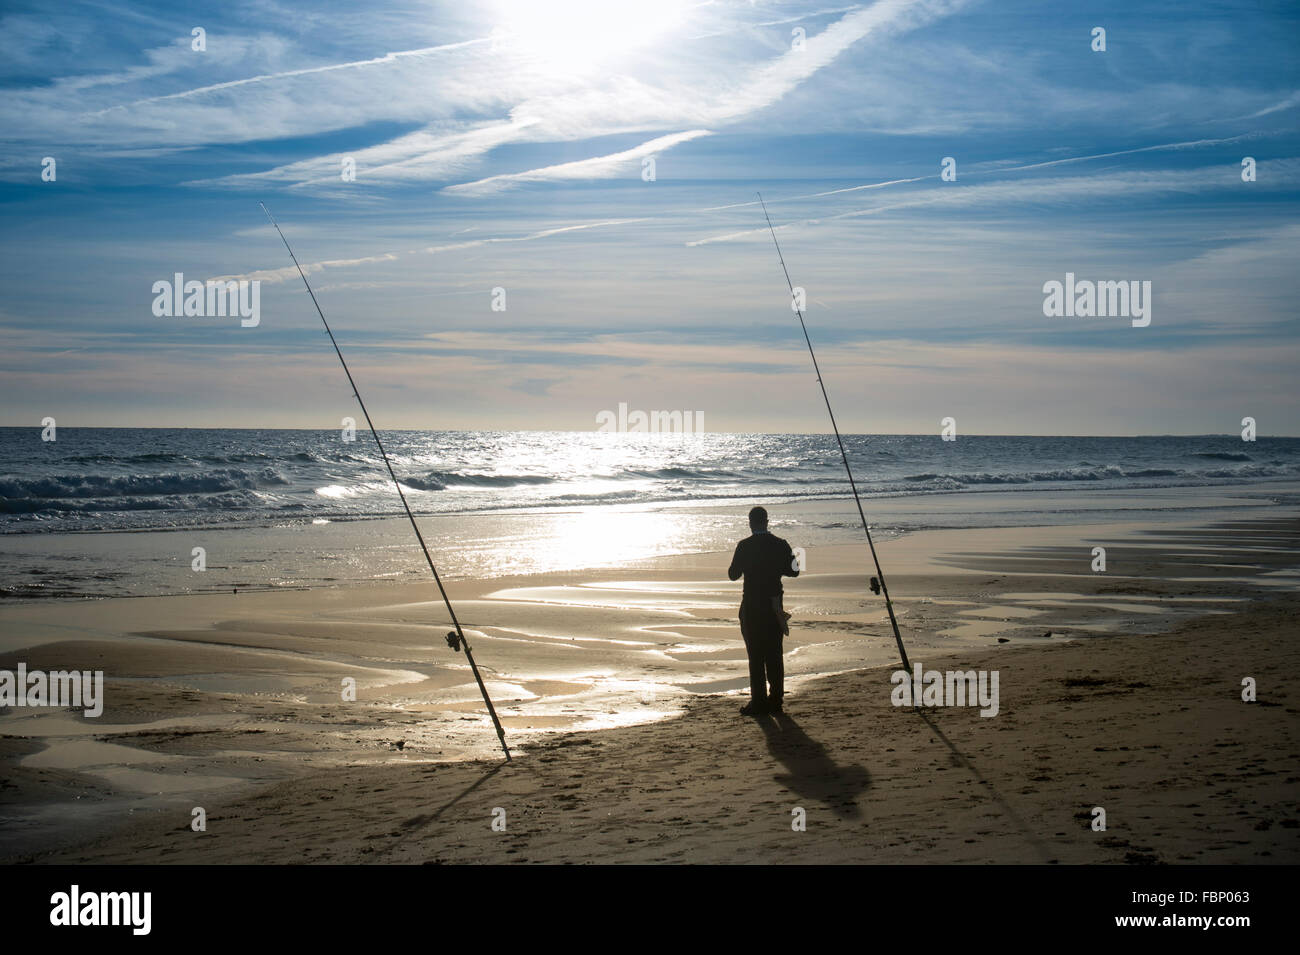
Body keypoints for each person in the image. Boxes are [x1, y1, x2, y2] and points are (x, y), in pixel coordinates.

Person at [727, 506, 799, 716]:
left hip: (752, 605)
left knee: (755, 655)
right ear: (767, 522)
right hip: (774, 605)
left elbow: (732, 575)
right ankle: (776, 700)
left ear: (750, 523)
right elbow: (794, 571)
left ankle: (758, 702)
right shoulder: (781, 544)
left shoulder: (744, 546)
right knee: (775, 653)